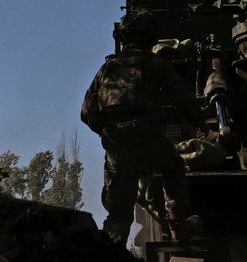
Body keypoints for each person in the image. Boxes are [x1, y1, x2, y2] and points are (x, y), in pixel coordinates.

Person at [81, 15, 195, 245]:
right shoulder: (155, 64)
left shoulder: (107, 69)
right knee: (173, 168)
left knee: (118, 212)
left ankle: (113, 259)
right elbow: (183, 98)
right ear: (149, 38)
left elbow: (86, 112)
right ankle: (177, 228)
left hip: (117, 147)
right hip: (148, 139)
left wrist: (110, 133)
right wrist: (200, 124)